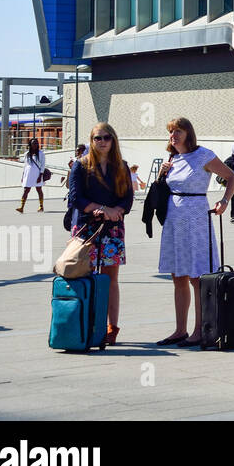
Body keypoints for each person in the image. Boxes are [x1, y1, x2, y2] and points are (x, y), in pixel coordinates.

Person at [155, 116, 234, 348]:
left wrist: (224, 201)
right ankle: (180, 330)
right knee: (178, 276)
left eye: (178, 131)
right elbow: (163, 190)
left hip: (196, 220)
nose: (173, 136)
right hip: (174, 221)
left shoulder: (203, 155)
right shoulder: (172, 158)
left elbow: (232, 177)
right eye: (171, 132)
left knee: (197, 277)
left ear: (188, 134)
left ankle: (200, 330)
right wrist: (162, 174)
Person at [67, 123, 134, 346]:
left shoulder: (121, 166)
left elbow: (128, 198)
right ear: (92, 140)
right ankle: (86, 324)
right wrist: (103, 209)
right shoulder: (81, 165)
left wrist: (116, 211)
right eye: (98, 138)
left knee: (110, 279)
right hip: (86, 229)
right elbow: (76, 199)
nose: (102, 141)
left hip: (113, 229)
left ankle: (111, 327)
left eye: (107, 137)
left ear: (113, 140)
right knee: (83, 275)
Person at [16, 138, 47, 213]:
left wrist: (40, 176)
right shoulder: (27, 154)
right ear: (30, 145)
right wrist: (23, 176)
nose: (35, 145)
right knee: (26, 190)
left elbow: (43, 165)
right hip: (28, 174)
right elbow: (25, 165)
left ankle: (41, 206)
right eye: (33, 143)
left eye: (36, 143)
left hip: (37, 174)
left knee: (39, 189)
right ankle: (22, 207)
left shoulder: (41, 153)